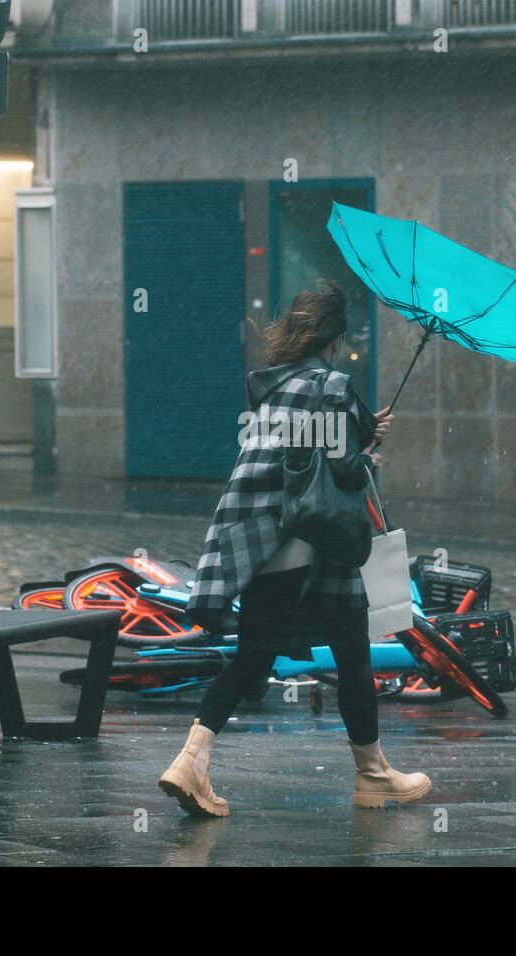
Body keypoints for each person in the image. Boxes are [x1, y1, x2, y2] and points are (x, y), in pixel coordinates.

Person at [157, 280, 432, 817]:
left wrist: (361, 429)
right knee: (331, 654)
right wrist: (369, 451)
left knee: (297, 651)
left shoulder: (279, 387)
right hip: (309, 550)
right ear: (334, 336)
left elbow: (302, 449)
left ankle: (197, 759)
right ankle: (367, 776)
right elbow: (343, 469)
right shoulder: (330, 386)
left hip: (271, 546)